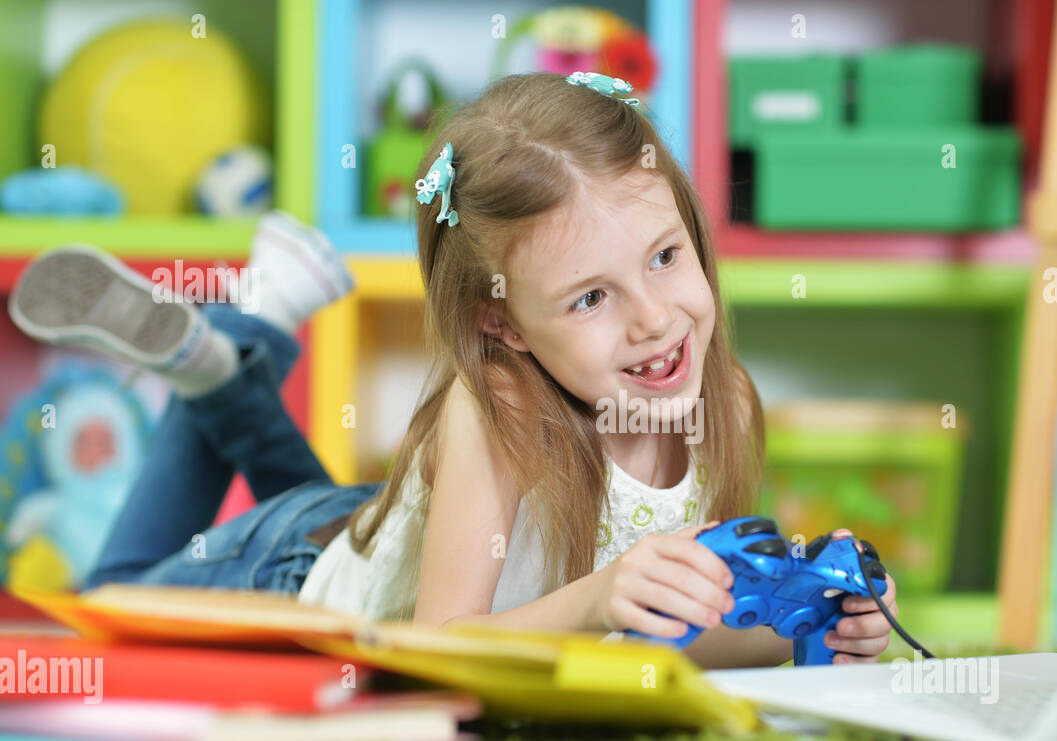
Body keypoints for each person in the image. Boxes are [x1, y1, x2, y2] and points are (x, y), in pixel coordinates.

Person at [8, 71, 896, 669]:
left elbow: (675, 632)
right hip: (295, 574)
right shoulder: (500, 408)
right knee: (94, 616)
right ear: (499, 321)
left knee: (368, 531)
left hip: (384, 534)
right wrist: (597, 600)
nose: (656, 318)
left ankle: (221, 363)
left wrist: (805, 619)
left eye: (666, 256)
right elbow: (435, 642)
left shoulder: (721, 397)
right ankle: (226, 350)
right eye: (592, 298)